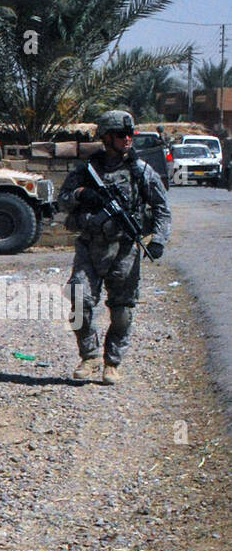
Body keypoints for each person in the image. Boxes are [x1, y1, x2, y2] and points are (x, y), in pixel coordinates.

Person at [57, 110, 171, 385]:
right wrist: (83, 195)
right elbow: (61, 201)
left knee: (122, 311)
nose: (128, 139)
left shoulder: (141, 171)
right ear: (106, 138)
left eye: (130, 134)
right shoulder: (87, 171)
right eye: (121, 135)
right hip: (89, 248)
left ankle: (112, 363)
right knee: (79, 302)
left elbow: (161, 209)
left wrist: (158, 240)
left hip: (124, 251)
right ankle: (89, 356)